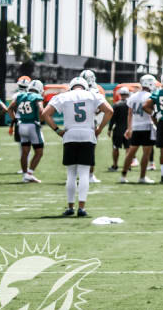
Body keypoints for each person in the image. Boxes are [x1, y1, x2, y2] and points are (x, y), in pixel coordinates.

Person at [41, 77, 114, 217]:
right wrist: (99, 128)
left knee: (71, 174)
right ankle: (82, 207)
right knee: (84, 173)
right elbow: (109, 111)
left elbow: (45, 114)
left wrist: (57, 130)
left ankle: (70, 207)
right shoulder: (93, 94)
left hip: (70, 135)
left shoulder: (63, 96)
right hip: (87, 135)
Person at [121, 74, 158, 183]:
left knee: (131, 152)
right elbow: (152, 113)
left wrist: (129, 128)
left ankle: (123, 176)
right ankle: (142, 177)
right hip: (147, 126)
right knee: (146, 153)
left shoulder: (133, 96)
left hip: (136, 127)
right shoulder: (150, 96)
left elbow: (129, 114)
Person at [11, 79, 46, 183]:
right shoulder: (37, 97)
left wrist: (16, 120)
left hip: (22, 125)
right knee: (39, 152)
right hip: (32, 125)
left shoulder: (20, 96)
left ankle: (25, 175)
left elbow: (9, 108)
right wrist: (41, 120)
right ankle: (29, 174)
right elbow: (41, 110)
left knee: (25, 152)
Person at [107, 88, 130, 172]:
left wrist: (109, 129)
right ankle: (128, 166)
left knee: (115, 147)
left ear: (120, 95)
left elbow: (112, 119)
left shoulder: (116, 105)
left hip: (118, 130)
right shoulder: (130, 104)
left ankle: (115, 165)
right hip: (128, 129)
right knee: (128, 148)